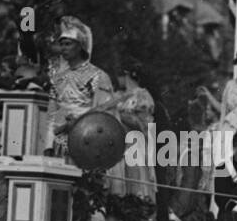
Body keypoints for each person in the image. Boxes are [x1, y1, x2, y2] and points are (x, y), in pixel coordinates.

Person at [47, 16, 114, 155]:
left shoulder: (97, 75)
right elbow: (51, 115)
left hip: (87, 141)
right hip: (59, 144)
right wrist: (48, 145)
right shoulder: (57, 78)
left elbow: (105, 113)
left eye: (68, 44)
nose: (64, 48)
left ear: (80, 46)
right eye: (62, 44)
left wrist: (80, 124)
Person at [109, 59, 158, 200]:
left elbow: (144, 125)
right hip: (121, 145)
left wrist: (119, 115)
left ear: (126, 74)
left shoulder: (142, 95)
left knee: (137, 186)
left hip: (135, 145)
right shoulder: (119, 95)